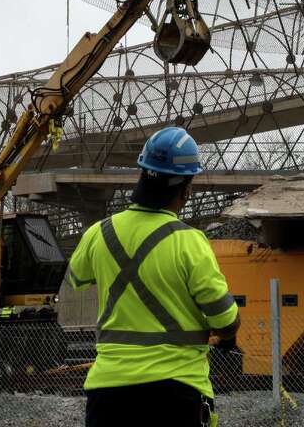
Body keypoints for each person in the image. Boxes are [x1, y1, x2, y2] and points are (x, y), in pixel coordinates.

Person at [68, 127, 239, 427]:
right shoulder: (190, 242)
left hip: (108, 393)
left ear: (143, 174)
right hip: (176, 393)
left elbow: (75, 286)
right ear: (185, 188)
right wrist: (229, 334)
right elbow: (225, 320)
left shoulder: (98, 234)